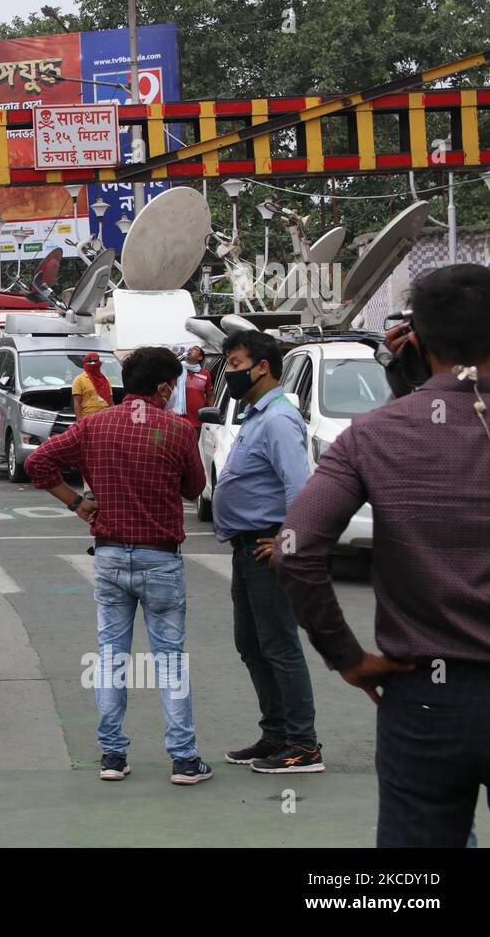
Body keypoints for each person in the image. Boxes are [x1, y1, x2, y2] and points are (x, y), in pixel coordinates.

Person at [274, 263, 490, 847]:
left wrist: (347, 657)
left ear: (415, 342)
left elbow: (294, 549)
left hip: (426, 699)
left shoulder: (373, 434)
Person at [25, 346, 212, 786]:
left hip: (109, 555)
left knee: (111, 657)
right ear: (164, 386)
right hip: (161, 558)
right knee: (170, 661)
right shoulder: (178, 429)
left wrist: (77, 503)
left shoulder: (93, 425)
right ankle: (184, 759)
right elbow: (195, 488)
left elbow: (38, 463)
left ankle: (112, 755)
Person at [211, 329, 321, 774]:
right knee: (253, 645)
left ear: (263, 366)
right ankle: (276, 733)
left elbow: (301, 487)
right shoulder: (257, 415)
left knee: (278, 645)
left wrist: (285, 542)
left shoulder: (278, 419)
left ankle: (303, 745)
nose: (229, 373)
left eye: (235, 365)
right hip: (245, 548)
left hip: (267, 547)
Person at [181, 345, 214, 434]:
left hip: (197, 422)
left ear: (200, 357)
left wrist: (211, 415)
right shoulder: (178, 370)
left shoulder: (205, 374)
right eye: (190, 348)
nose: (190, 349)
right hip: (177, 420)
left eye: (194, 349)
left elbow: (210, 395)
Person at [72, 352, 113, 420]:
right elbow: (77, 403)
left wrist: (112, 418)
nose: (93, 363)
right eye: (90, 361)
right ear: (85, 363)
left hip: (105, 418)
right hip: (88, 419)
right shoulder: (79, 380)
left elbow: (111, 401)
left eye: (95, 361)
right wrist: (79, 422)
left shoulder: (105, 380)